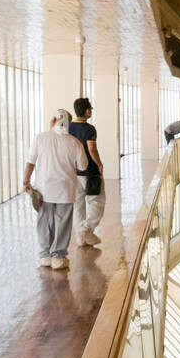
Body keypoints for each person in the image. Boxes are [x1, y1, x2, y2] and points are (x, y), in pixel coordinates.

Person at [23, 110, 88, 269]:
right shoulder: (74, 142)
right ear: (69, 123)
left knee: (44, 221)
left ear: (53, 120)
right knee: (63, 222)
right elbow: (82, 166)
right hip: (66, 189)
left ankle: (45, 254)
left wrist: (26, 181)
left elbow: (30, 162)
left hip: (44, 189)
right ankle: (58, 256)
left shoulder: (40, 138)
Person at [69, 97, 104, 247]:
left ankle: (80, 237)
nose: (91, 111)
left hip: (73, 171)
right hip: (89, 171)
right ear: (86, 111)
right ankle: (87, 228)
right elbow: (91, 149)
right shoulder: (89, 129)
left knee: (78, 205)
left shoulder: (68, 128)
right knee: (97, 201)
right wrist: (99, 164)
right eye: (90, 108)